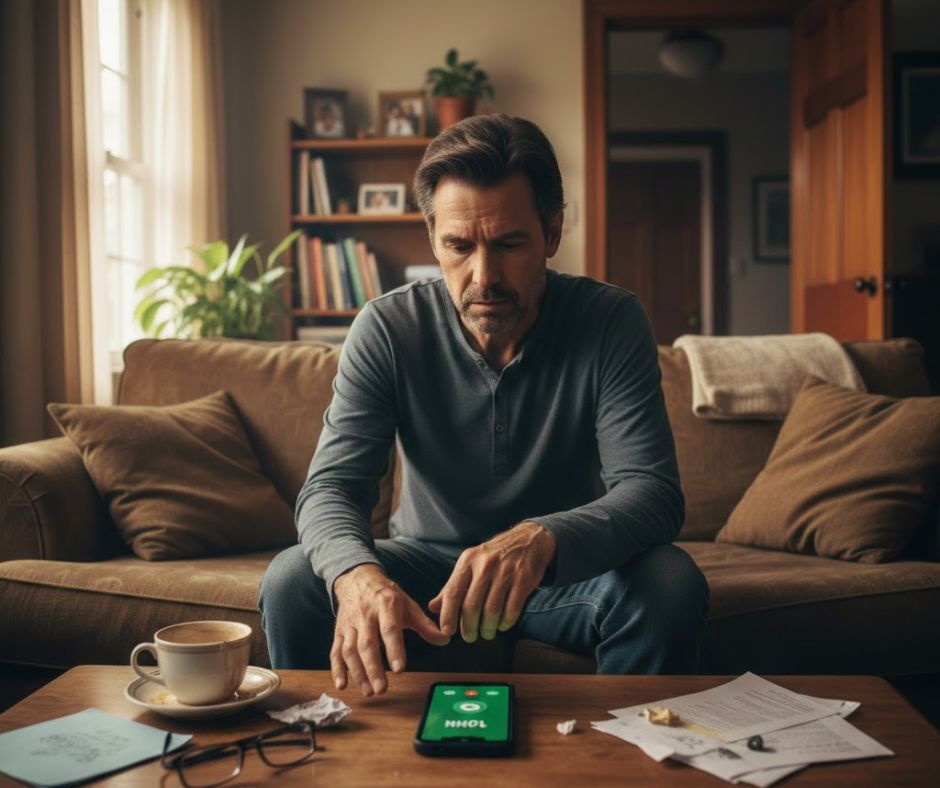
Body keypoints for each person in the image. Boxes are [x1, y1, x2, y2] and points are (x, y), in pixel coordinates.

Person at [260, 114, 709, 696]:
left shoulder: (610, 321)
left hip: (564, 576)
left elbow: (651, 493)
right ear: (431, 236)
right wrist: (359, 576)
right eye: (459, 245)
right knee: (294, 577)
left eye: (509, 244)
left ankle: (629, 763)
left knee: (670, 583)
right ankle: (328, 762)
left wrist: (540, 538)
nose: (484, 275)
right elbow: (331, 489)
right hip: (428, 574)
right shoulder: (387, 327)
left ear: (551, 234)